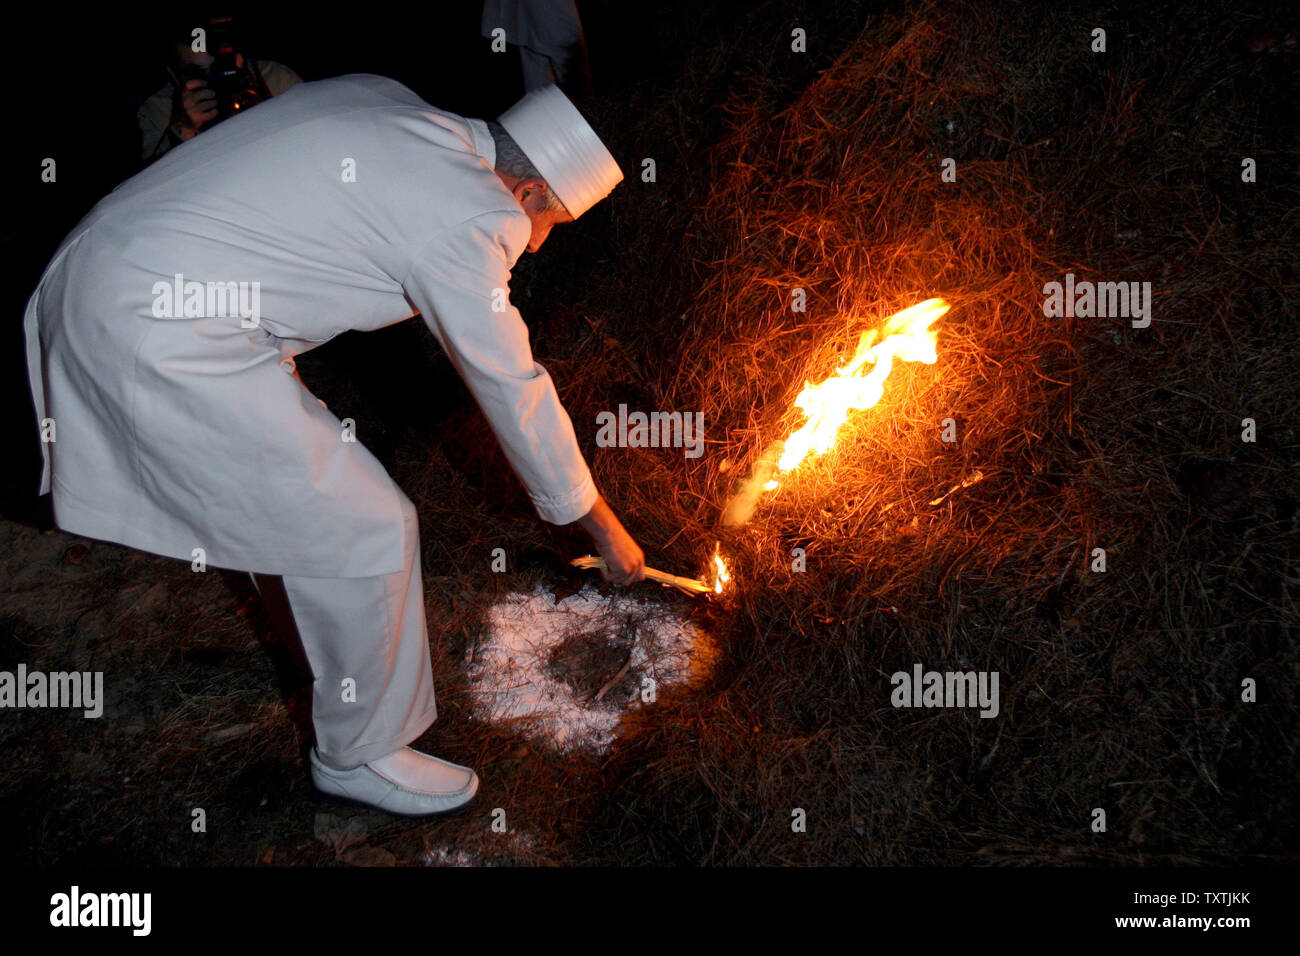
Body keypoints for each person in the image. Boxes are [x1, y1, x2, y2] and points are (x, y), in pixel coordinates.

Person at [23, 75, 645, 817]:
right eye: (551, 225)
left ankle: (325, 669)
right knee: (370, 523)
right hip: (159, 322)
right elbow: (513, 384)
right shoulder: (477, 210)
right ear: (532, 192)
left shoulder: (395, 103)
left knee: (294, 506)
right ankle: (358, 756)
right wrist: (600, 525)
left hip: (105, 268)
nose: (536, 244)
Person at [138, 18, 302, 163]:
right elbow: (152, 183)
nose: (213, 80)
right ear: (174, 76)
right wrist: (182, 130)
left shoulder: (276, 79)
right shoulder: (159, 108)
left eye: (221, 67)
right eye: (196, 73)